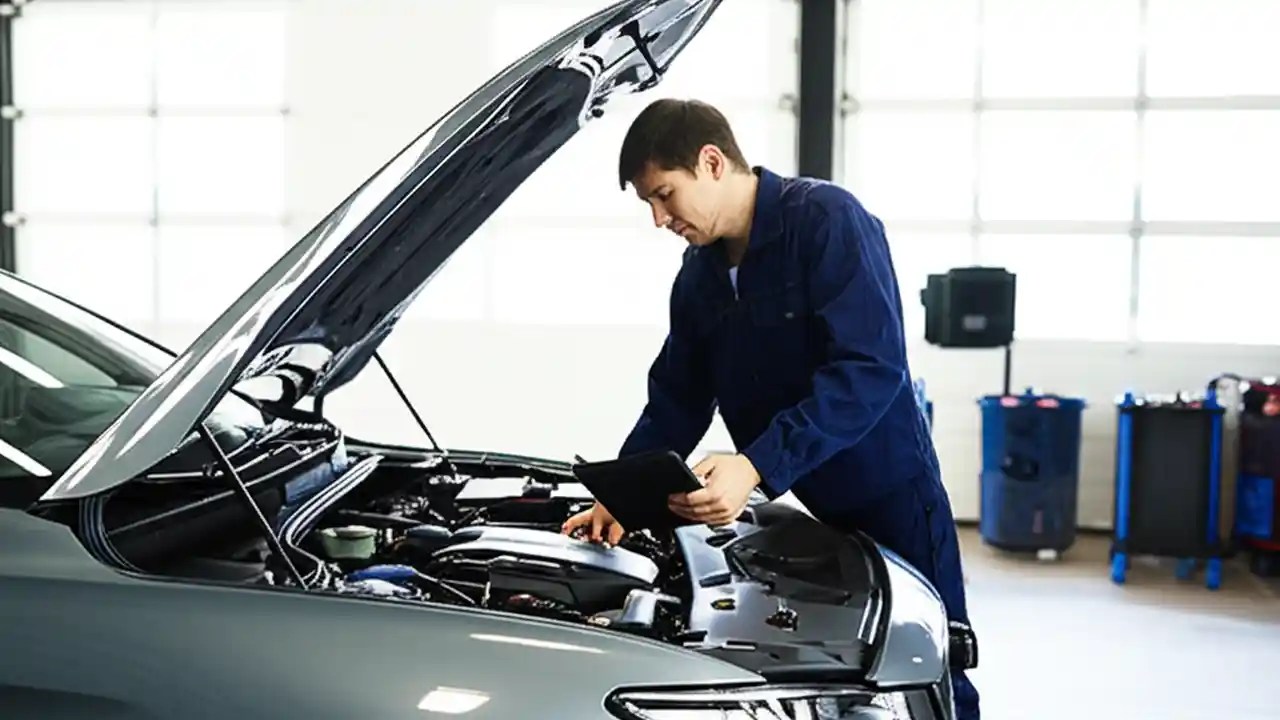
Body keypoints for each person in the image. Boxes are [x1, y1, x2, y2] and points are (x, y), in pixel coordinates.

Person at [559, 98, 978, 719]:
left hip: (891, 494)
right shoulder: (698, 275)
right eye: (648, 203)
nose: (657, 218)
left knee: (930, 665)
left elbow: (870, 369)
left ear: (711, 162)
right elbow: (678, 392)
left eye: (665, 195)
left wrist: (754, 465)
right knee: (847, 679)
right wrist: (622, 492)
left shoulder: (827, 221)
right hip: (810, 504)